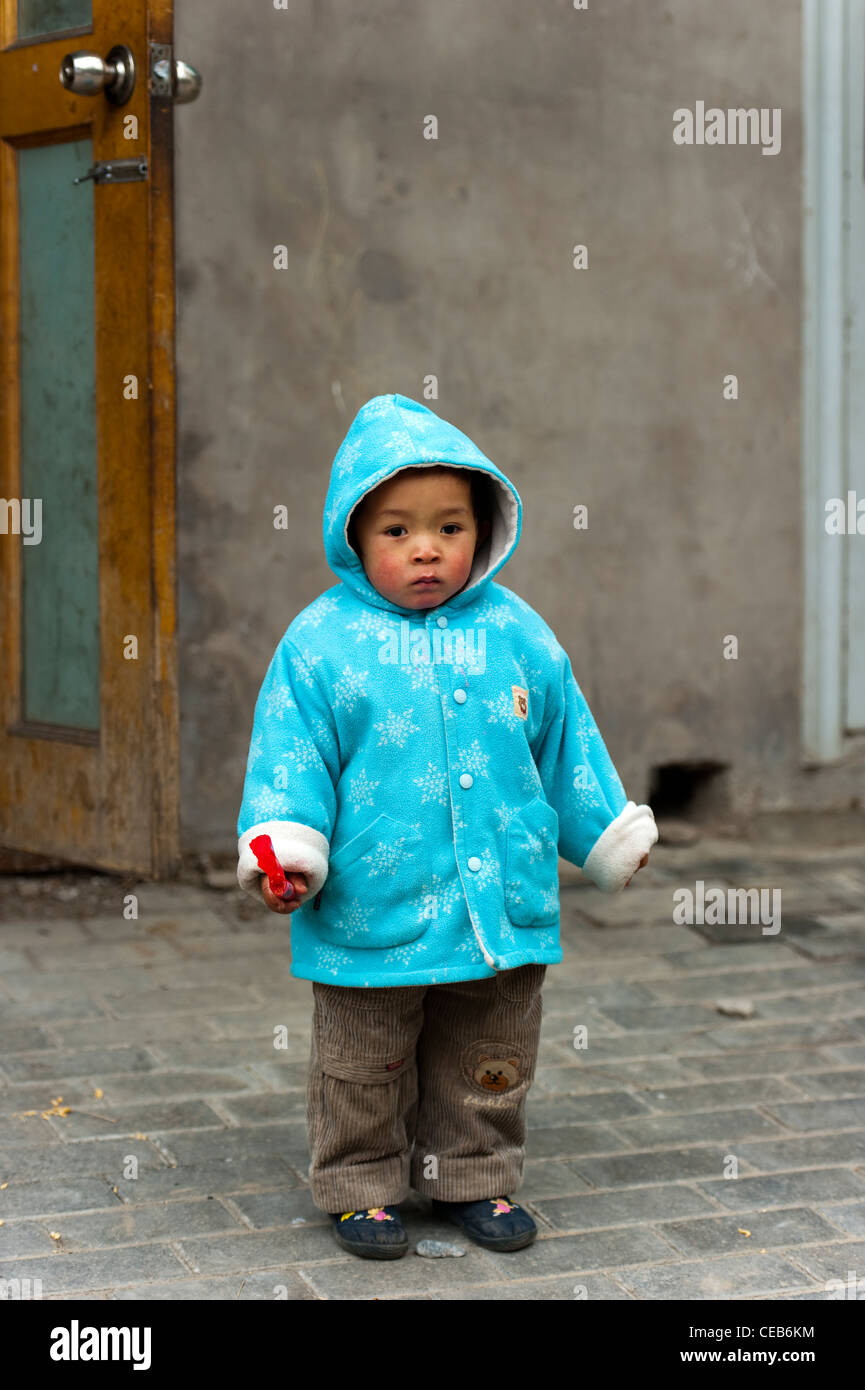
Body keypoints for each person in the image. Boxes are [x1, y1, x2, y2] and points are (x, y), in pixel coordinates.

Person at [236, 392, 657, 1260]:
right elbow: (290, 759)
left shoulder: (517, 632)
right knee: (362, 1061)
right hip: (370, 906)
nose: (425, 548)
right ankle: (359, 1184)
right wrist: (288, 848)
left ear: (485, 529)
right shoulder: (319, 645)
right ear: (353, 536)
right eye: (396, 530)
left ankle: (472, 1173)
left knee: (487, 1056)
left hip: (498, 904)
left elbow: (562, 740)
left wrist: (605, 831)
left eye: (448, 527)